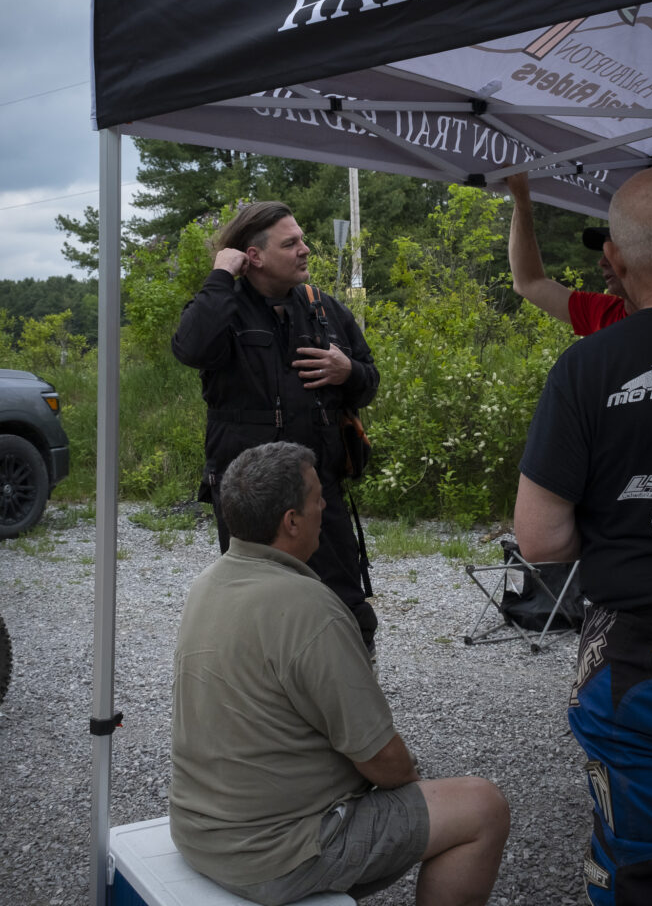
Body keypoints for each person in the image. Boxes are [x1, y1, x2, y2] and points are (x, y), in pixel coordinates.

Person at [170, 441, 510, 906]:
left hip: (198, 833)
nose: (326, 505)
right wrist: (409, 789)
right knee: (482, 808)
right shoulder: (311, 609)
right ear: (291, 522)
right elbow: (381, 758)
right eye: (317, 498)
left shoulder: (206, 583)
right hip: (273, 858)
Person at [513, 166, 652, 904]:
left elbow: (540, 541)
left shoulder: (587, 365)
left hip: (644, 658)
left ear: (612, 260)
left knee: (645, 870)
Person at [171, 201, 379, 649]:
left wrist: (350, 373)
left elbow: (368, 383)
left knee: (343, 599)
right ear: (255, 256)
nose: (305, 249)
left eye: (302, 239)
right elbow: (190, 348)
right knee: (256, 604)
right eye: (291, 243)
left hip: (316, 486)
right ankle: (270, 701)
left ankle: (349, 690)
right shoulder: (222, 308)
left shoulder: (324, 309)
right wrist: (220, 275)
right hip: (248, 492)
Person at [506, 171, 636, 335]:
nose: (602, 262)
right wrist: (522, 203)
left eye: (613, 250)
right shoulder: (602, 312)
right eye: (603, 252)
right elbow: (528, 282)